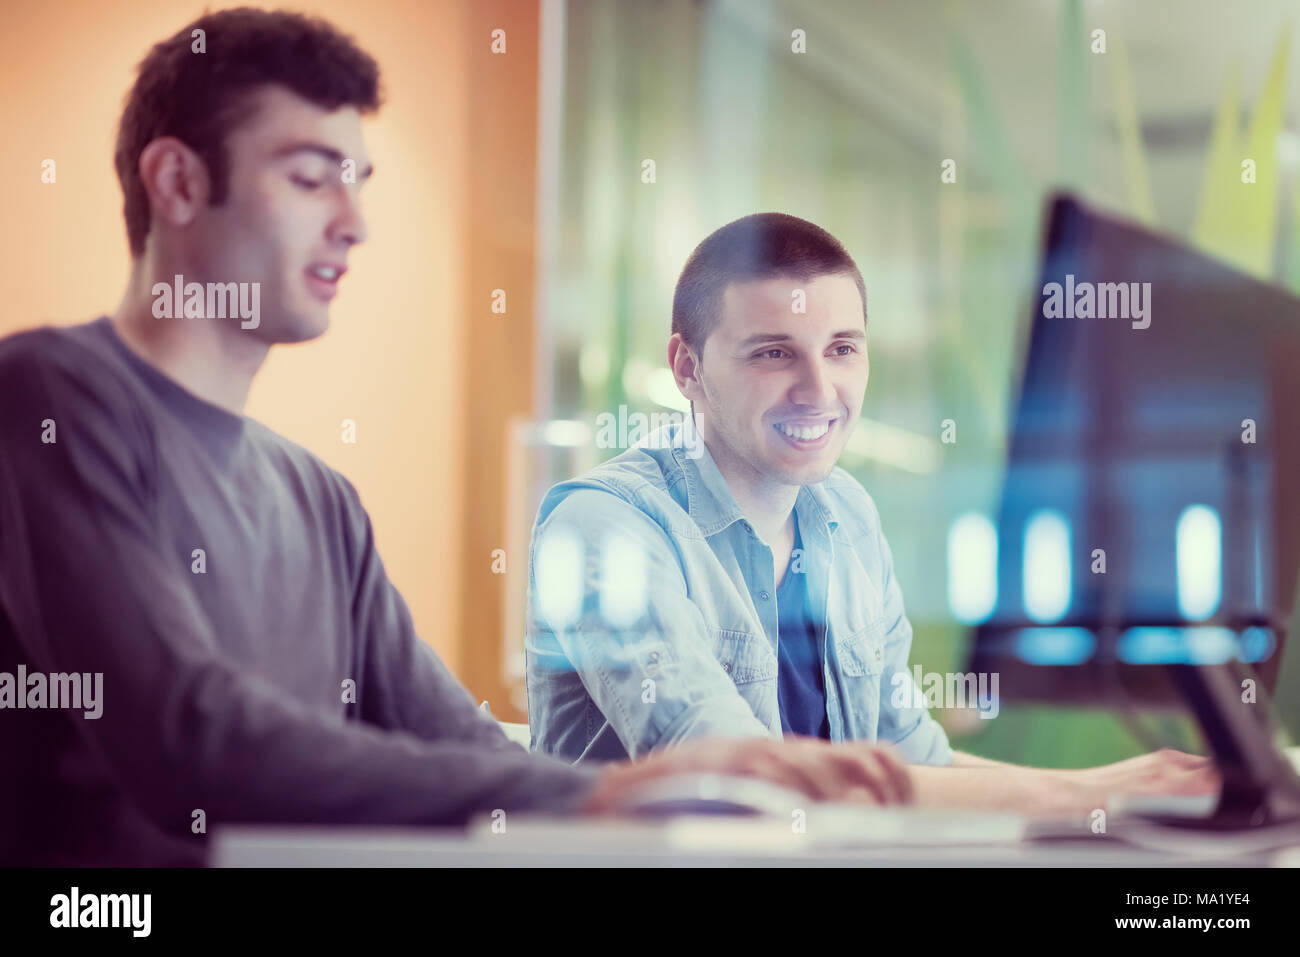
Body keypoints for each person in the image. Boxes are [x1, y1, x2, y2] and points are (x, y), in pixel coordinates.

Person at [0, 10, 912, 867]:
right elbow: (190, 736)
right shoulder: (52, 397)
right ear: (178, 182)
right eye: (311, 178)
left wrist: (640, 792)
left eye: (357, 185)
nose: (352, 224)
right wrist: (610, 793)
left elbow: (458, 742)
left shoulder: (316, 497)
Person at [525, 212, 1219, 817]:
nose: (819, 391)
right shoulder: (605, 530)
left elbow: (914, 760)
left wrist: (1125, 787)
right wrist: (1090, 798)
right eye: (774, 353)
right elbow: (740, 784)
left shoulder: (843, 514)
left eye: (842, 349)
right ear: (686, 367)